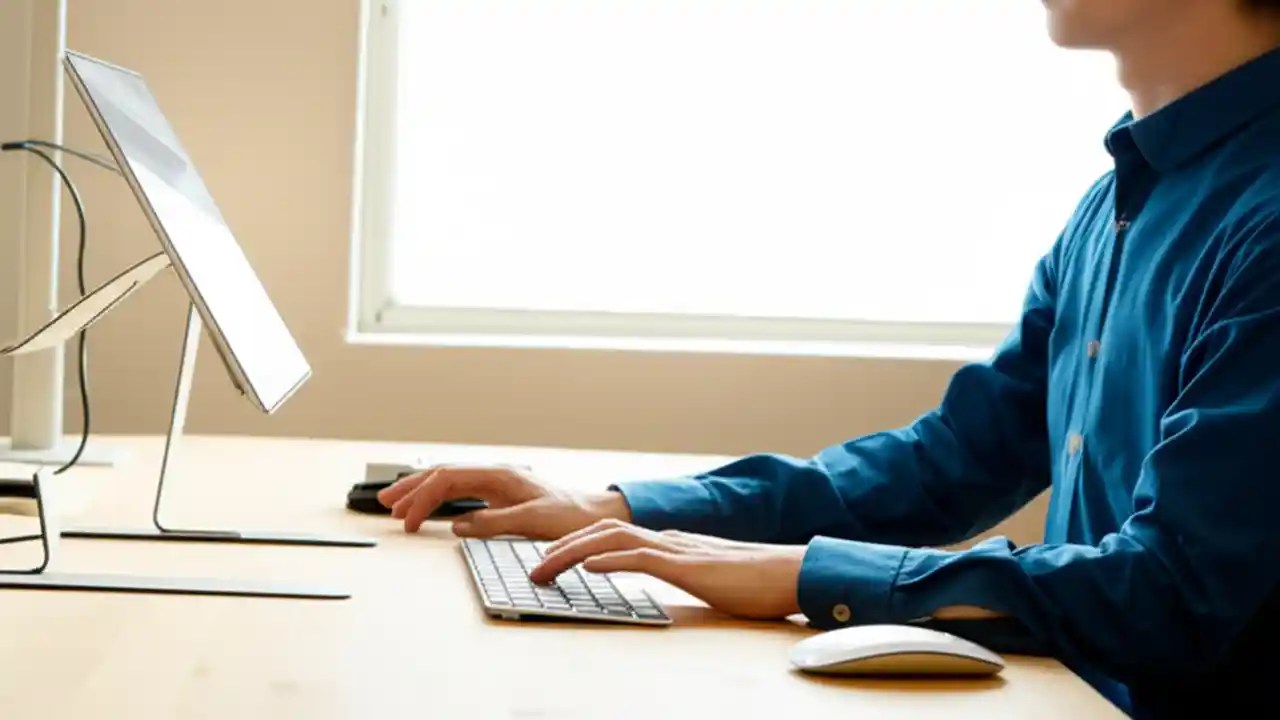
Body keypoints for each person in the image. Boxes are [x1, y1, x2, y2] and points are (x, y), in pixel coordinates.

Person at [380, 2, 1280, 717]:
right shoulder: (1115, 201)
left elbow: (1174, 592)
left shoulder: (1267, 221)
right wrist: (621, 511)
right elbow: (947, 465)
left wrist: (804, 574)